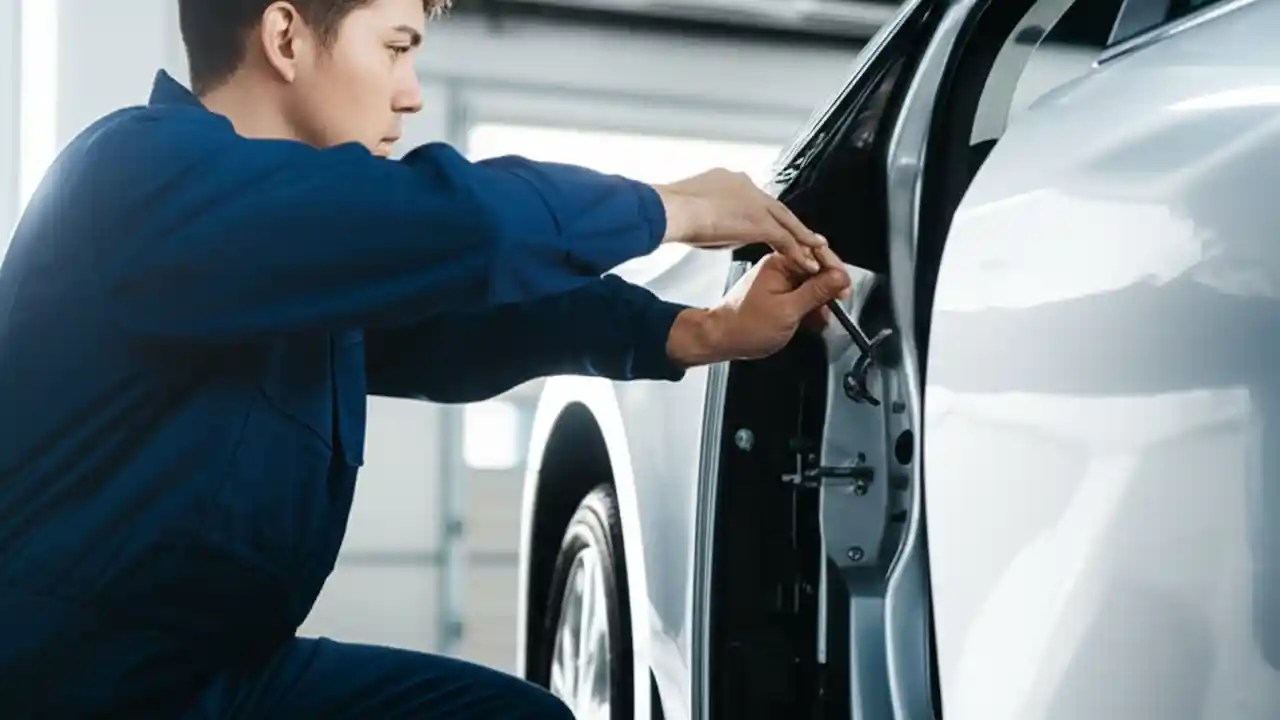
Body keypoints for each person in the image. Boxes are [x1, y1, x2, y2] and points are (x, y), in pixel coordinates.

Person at [0, 0, 852, 716]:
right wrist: (672, 207)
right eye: (397, 47)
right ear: (286, 37)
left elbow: (463, 320)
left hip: (219, 680)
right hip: (60, 687)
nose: (409, 97)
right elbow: (470, 229)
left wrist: (696, 331)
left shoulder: (289, 256)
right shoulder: (134, 175)